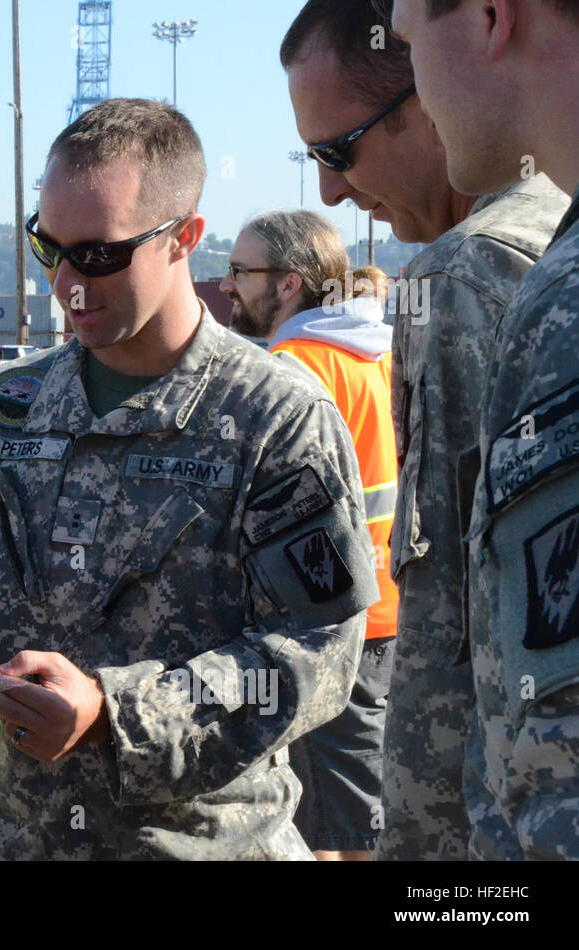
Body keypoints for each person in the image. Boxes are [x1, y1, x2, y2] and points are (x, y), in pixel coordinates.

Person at [0, 98, 379, 860]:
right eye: (51, 250)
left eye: (100, 255)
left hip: (199, 844)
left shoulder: (275, 416)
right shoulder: (6, 405)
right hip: (7, 839)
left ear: (184, 240)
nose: (70, 282)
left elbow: (317, 650)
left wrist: (114, 713)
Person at [282, 0, 570, 860]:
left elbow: (458, 631)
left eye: (339, 150)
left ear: (430, 96)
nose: (332, 190)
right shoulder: (550, 228)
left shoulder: (466, 271)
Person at [391, 0, 579, 860]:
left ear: (493, 17)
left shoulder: (548, 296)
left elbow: (556, 773)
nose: (417, 88)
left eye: (407, 42)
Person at [222, 210, 397, 861]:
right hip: (384, 606)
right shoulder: (373, 351)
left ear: (289, 284)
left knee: (336, 831)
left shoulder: (293, 365)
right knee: (353, 808)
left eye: (240, 271)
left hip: (326, 618)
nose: (227, 286)